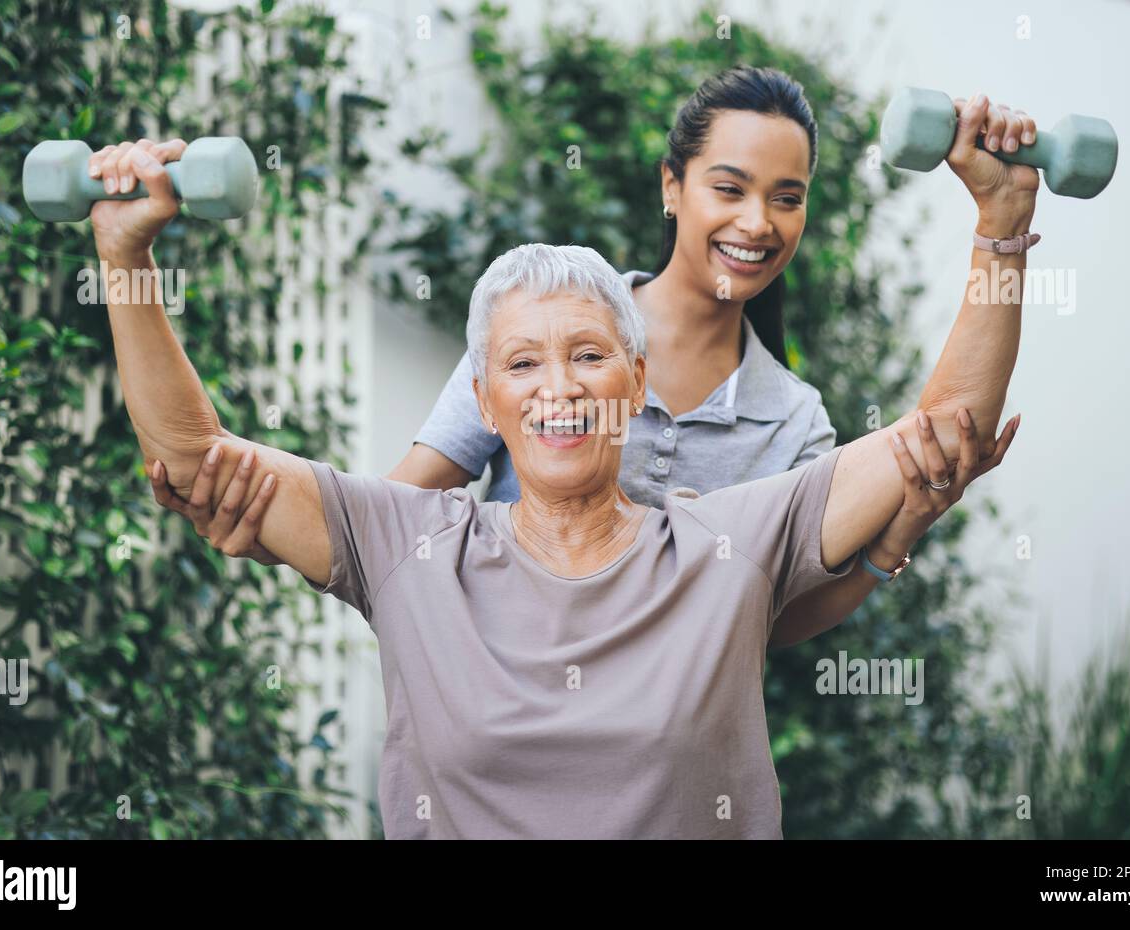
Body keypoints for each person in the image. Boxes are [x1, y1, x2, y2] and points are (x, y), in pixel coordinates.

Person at [89, 84, 1039, 836]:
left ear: (634, 379)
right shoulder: (406, 541)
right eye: (522, 365)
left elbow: (942, 428)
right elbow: (196, 458)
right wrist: (126, 254)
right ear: (484, 396)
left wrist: (1001, 221)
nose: (559, 388)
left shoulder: (730, 534)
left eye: (589, 358)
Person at [146, 67, 1021, 646]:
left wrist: (1002, 225)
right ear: (672, 188)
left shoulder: (791, 416)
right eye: (729, 187)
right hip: (499, 703)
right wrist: (277, 532)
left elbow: (777, 613)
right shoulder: (549, 337)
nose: (757, 223)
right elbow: (396, 520)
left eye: (785, 199)